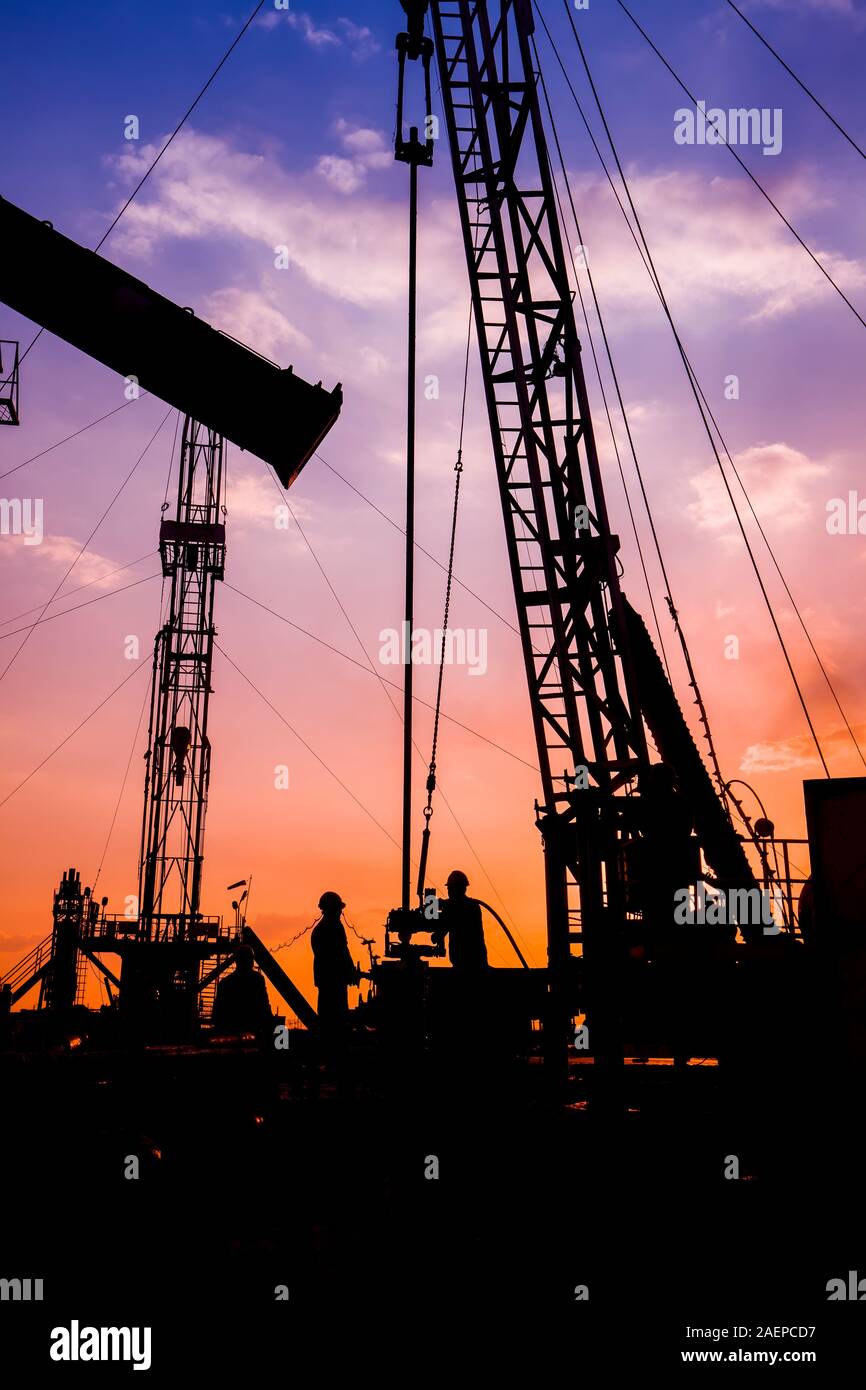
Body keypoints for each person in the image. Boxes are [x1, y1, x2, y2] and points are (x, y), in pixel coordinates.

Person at [311, 892, 358, 1076]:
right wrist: (351, 971)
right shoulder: (334, 928)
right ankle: (337, 1063)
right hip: (335, 983)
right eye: (338, 909)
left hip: (325, 982)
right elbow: (342, 952)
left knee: (326, 1022)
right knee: (337, 1023)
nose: (340, 913)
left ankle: (329, 1061)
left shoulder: (320, 930)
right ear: (332, 909)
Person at [213, 944, 272, 1041]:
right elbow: (264, 1004)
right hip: (252, 1029)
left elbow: (217, 1012)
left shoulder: (225, 983)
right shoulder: (257, 980)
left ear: (236, 961)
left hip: (230, 1032)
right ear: (251, 961)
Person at [433, 870, 488, 972]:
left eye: (449, 888)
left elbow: (441, 930)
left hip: (463, 965)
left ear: (456, 889)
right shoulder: (473, 906)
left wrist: (436, 936)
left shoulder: (453, 908)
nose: (448, 891)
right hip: (479, 963)